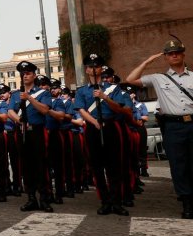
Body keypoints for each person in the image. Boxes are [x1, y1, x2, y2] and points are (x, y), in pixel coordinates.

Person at [127, 38, 193, 219]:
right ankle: (186, 201)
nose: (174, 55)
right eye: (170, 54)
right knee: (178, 165)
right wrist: (147, 62)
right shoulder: (158, 78)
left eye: (177, 52)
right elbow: (130, 79)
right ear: (166, 57)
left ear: (183, 54)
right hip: (173, 126)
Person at [74, 54, 130, 216]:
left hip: (111, 126)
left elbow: (119, 108)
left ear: (101, 69)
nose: (93, 69)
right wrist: (93, 122)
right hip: (93, 128)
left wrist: (104, 97)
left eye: (96, 66)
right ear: (86, 70)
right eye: (90, 66)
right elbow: (81, 110)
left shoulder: (113, 89)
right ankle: (105, 201)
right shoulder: (82, 91)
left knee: (114, 166)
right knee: (97, 167)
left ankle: (116, 201)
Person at [8, 61, 54, 213]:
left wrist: (29, 98)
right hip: (22, 131)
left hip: (37, 131)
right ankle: (31, 198)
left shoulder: (43, 93)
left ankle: (44, 198)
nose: (25, 75)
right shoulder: (15, 94)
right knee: (26, 166)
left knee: (40, 165)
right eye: (22, 73)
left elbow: (45, 110)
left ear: (34, 75)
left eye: (28, 73)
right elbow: (10, 111)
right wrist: (19, 119)